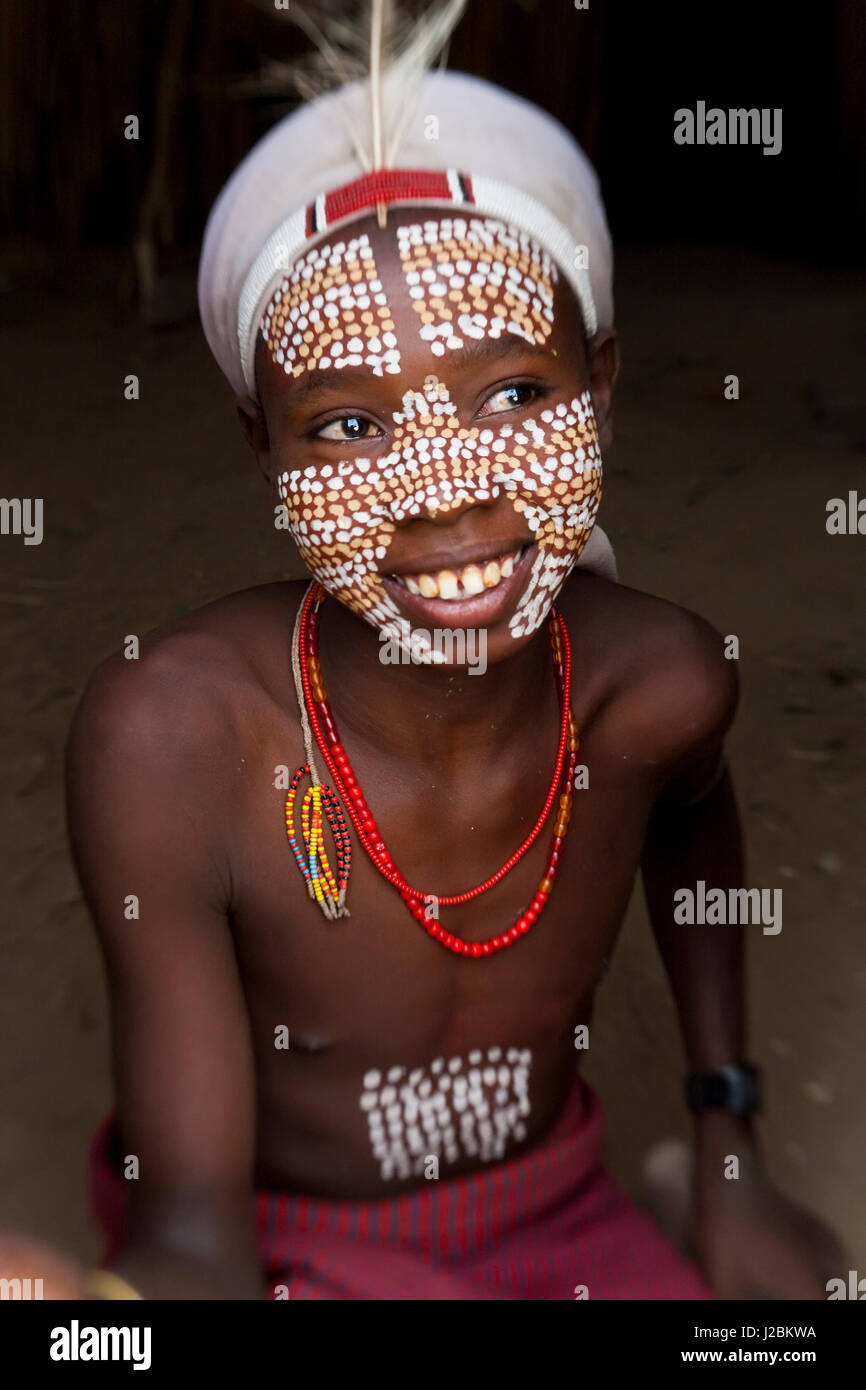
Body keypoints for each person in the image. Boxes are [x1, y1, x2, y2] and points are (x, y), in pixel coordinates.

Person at [52, 47, 842, 1301]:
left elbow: (689, 803)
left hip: (554, 1204)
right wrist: (98, 1321)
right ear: (261, 441)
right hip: (292, 1245)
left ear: (602, 382)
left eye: (516, 392)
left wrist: (725, 1134)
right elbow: (193, 1239)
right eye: (349, 424)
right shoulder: (174, 740)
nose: (445, 488)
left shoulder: (660, 683)